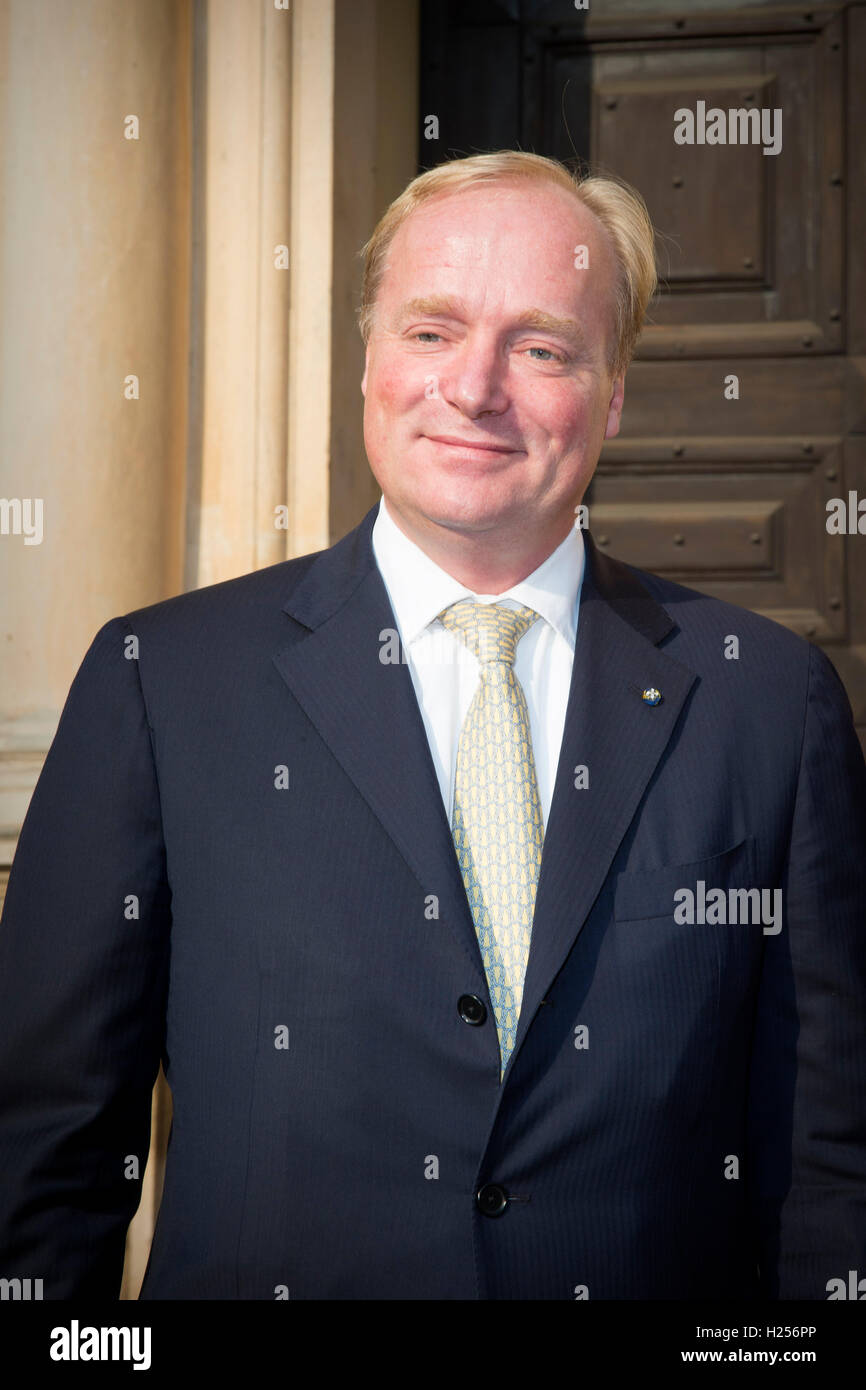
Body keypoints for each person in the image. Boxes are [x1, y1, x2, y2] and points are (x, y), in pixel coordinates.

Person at [0, 151, 864, 1301]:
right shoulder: (163, 680)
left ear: (610, 393)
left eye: (541, 346)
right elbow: (46, 1151)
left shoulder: (763, 699)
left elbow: (825, 1169)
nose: (473, 386)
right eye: (429, 330)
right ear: (366, 357)